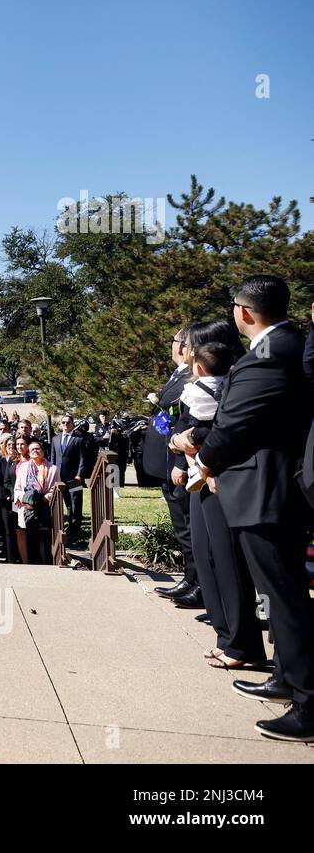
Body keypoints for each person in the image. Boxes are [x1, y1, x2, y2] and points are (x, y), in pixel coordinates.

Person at [182, 276, 314, 741]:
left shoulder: (266, 356)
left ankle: (308, 700)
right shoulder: (290, 345)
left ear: (244, 312)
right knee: (285, 590)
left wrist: (203, 463)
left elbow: (235, 424)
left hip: (266, 492)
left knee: (285, 594)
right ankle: (286, 675)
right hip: (275, 487)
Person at [174, 332, 266, 670]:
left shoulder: (223, 391)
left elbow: (218, 429)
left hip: (218, 479)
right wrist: (177, 440)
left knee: (227, 562)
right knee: (207, 555)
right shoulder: (198, 391)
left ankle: (243, 645)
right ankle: (225, 635)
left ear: (198, 367)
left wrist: (190, 442)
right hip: (200, 478)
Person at [147, 327, 201, 606]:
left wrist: (180, 463)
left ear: (182, 346)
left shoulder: (190, 377)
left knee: (188, 527)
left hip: (178, 465)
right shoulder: (179, 374)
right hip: (169, 464)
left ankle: (198, 583)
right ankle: (191, 578)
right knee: (183, 527)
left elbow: (187, 423)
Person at [49, 414, 95, 538]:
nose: (65, 425)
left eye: (68, 422)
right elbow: (53, 458)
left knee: (76, 501)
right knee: (66, 502)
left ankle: (75, 527)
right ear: (60, 425)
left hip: (74, 477)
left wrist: (79, 475)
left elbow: (82, 459)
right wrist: (52, 475)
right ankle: (66, 525)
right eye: (63, 422)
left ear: (72, 424)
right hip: (59, 477)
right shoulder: (55, 439)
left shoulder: (78, 440)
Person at [13, 439, 58, 564]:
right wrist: (24, 499)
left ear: (43, 452)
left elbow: (55, 489)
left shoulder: (53, 469)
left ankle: (46, 565)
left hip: (44, 508)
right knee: (29, 539)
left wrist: (42, 499)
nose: (35, 451)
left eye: (38, 449)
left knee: (44, 540)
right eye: (32, 449)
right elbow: (17, 488)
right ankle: (32, 566)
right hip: (27, 508)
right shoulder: (23, 467)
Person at [0, 434, 22, 563]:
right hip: (6, 501)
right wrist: (6, 496)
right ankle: (10, 557)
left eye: (13, 445)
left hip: (18, 500)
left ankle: (21, 556)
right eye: (8, 445)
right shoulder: (0, 461)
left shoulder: (19, 461)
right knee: (8, 530)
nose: (11, 447)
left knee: (19, 528)